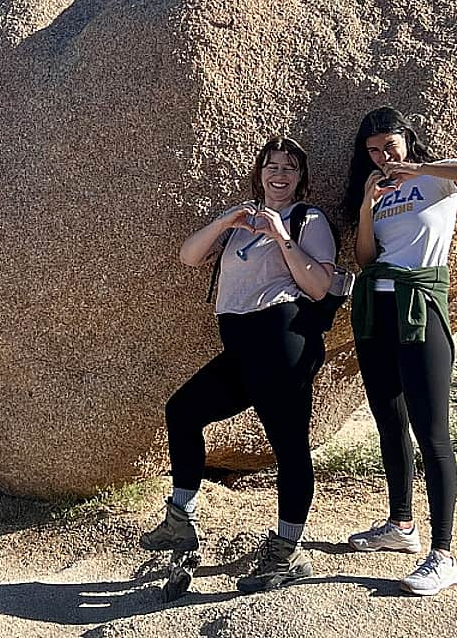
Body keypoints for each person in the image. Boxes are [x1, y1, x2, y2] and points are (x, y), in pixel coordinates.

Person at [140, 135, 338, 594]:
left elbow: (319, 286)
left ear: (300, 177)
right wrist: (228, 219)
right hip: (241, 347)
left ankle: (288, 552)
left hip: (282, 339)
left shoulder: (309, 220)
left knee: (289, 445)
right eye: (272, 165)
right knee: (183, 411)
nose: (280, 174)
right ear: (260, 172)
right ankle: (181, 517)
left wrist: (282, 237)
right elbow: (189, 256)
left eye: (289, 166)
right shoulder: (240, 222)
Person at [342, 106, 457, 596]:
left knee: (432, 430)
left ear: (407, 139)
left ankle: (444, 553)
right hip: (376, 308)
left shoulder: (436, 179)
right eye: (373, 150)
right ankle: (400, 526)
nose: (382, 155)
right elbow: (366, 259)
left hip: (422, 306)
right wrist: (368, 206)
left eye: (388, 145)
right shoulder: (375, 188)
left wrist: (422, 167)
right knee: (388, 421)